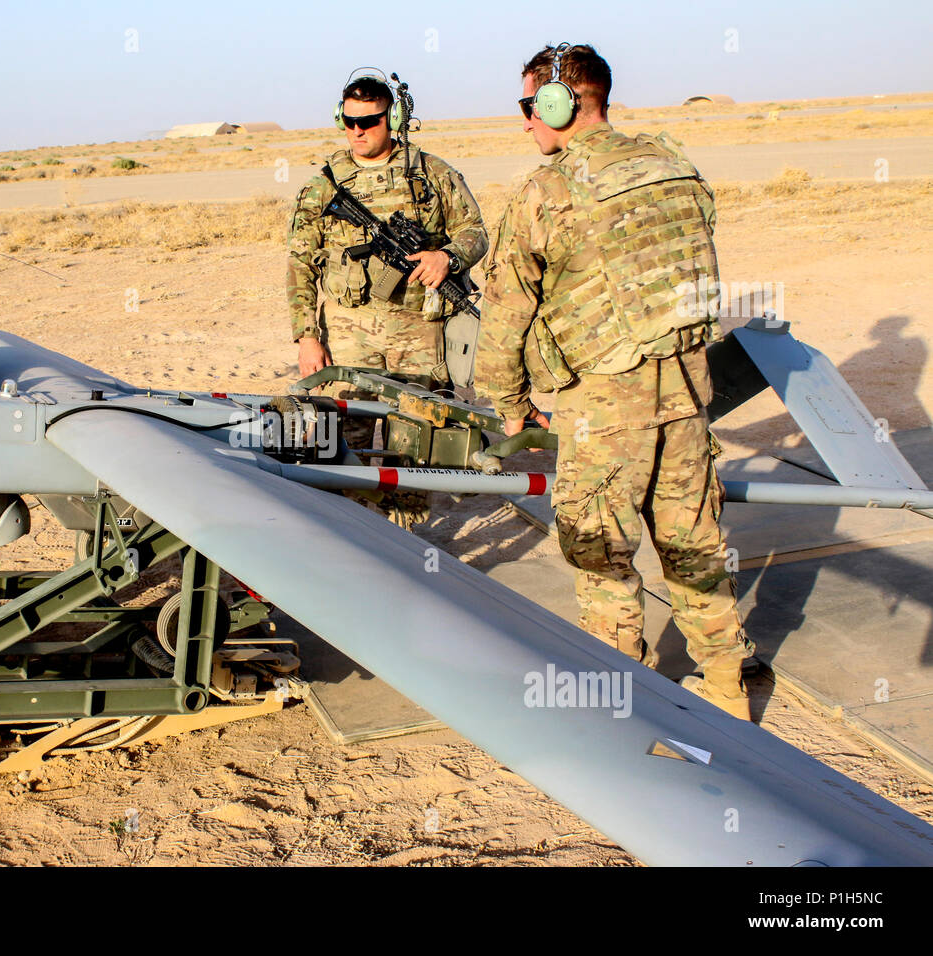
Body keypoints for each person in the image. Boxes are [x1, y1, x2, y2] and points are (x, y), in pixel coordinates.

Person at [475, 44, 756, 719]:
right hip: (686, 390)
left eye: (529, 105)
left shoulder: (547, 190)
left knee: (600, 553)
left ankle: (621, 703)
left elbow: (506, 310)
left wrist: (509, 405)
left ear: (558, 104)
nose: (525, 120)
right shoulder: (671, 163)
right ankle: (727, 687)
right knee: (694, 544)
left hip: (603, 405)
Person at [286, 72, 487, 528]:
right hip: (349, 336)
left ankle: (405, 538)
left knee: (414, 442)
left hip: (420, 334)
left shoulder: (432, 173)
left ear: (392, 119)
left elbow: (475, 232)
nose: (358, 131)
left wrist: (446, 257)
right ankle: (351, 534)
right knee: (343, 441)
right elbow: (300, 265)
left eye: (369, 121)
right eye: (349, 122)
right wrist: (306, 337)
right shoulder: (324, 186)